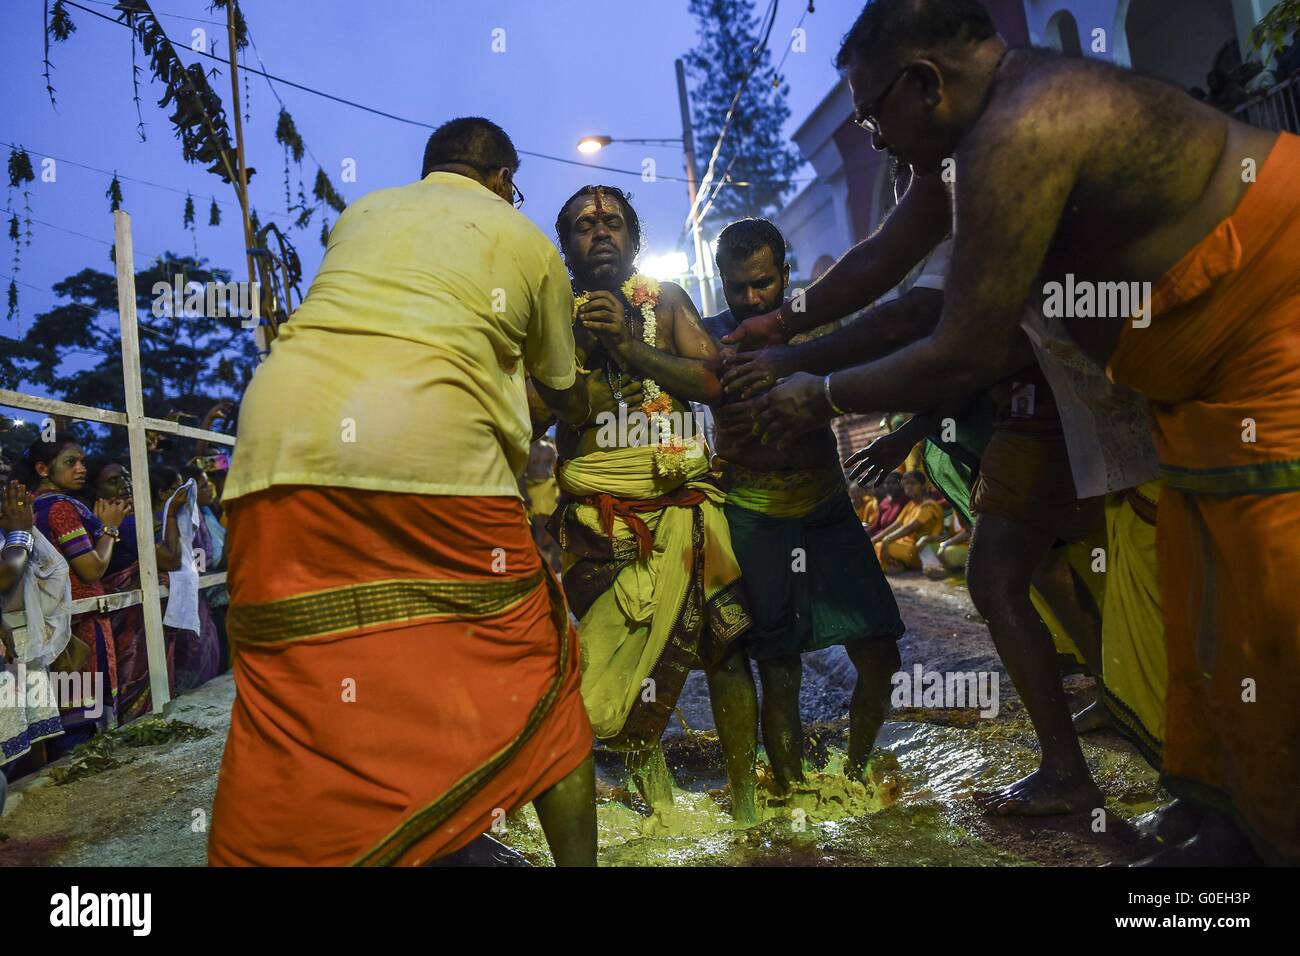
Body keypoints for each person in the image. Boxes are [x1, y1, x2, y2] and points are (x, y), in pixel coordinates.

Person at [729, 0, 1297, 864]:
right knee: (1208, 604)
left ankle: (1262, 829)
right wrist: (777, 332)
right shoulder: (966, 139)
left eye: (874, 116)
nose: (876, 140)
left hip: (1266, 339)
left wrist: (823, 392)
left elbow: (964, 343)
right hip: (1190, 386)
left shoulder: (1019, 129)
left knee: (1273, 600)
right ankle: (1221, 817)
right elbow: (884, 258)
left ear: (924, 84)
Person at [209, 117, 596, 866]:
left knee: (302, 682)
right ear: (504, 180)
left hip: (273, 450)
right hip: (430, 455)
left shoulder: (364, 214)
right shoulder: (526, 239)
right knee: (542, 676)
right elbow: (563, 390)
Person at [547, 184, 757, 822]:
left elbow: (713, 379)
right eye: (585, 225)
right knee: (624, 657)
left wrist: (631, 348)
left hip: (684, 504)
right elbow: (528, 413)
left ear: (635, 241)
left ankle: (747, 799)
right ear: (566, 247)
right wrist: (580, 350)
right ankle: (658, 807)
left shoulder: (663, 301)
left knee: (725, 647)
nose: (601, 231)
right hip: (603, 519)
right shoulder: (551, 313)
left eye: (613, 222)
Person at [707, 218, 903, 791]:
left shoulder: (818, 327)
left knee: (879, 652)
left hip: (825, 505)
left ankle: (858, 771)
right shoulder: (708, 339)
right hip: (752, 513)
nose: (751, 299)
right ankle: (790, 792)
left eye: (763, 284)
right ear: (721, 281)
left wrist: (901, 432)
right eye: (738, 287)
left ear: (786, 275)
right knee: (779, 667)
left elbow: (872, 368)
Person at [23, 434, 130, 749]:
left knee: (64, 709)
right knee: (83, 718)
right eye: (71, 462)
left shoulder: (31, 505)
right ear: (43, 468)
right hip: (79, 619)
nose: (81, 468)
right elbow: (92, 569)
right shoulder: (60, 509)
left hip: (51, 619)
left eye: (82, 461)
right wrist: (110, 527)